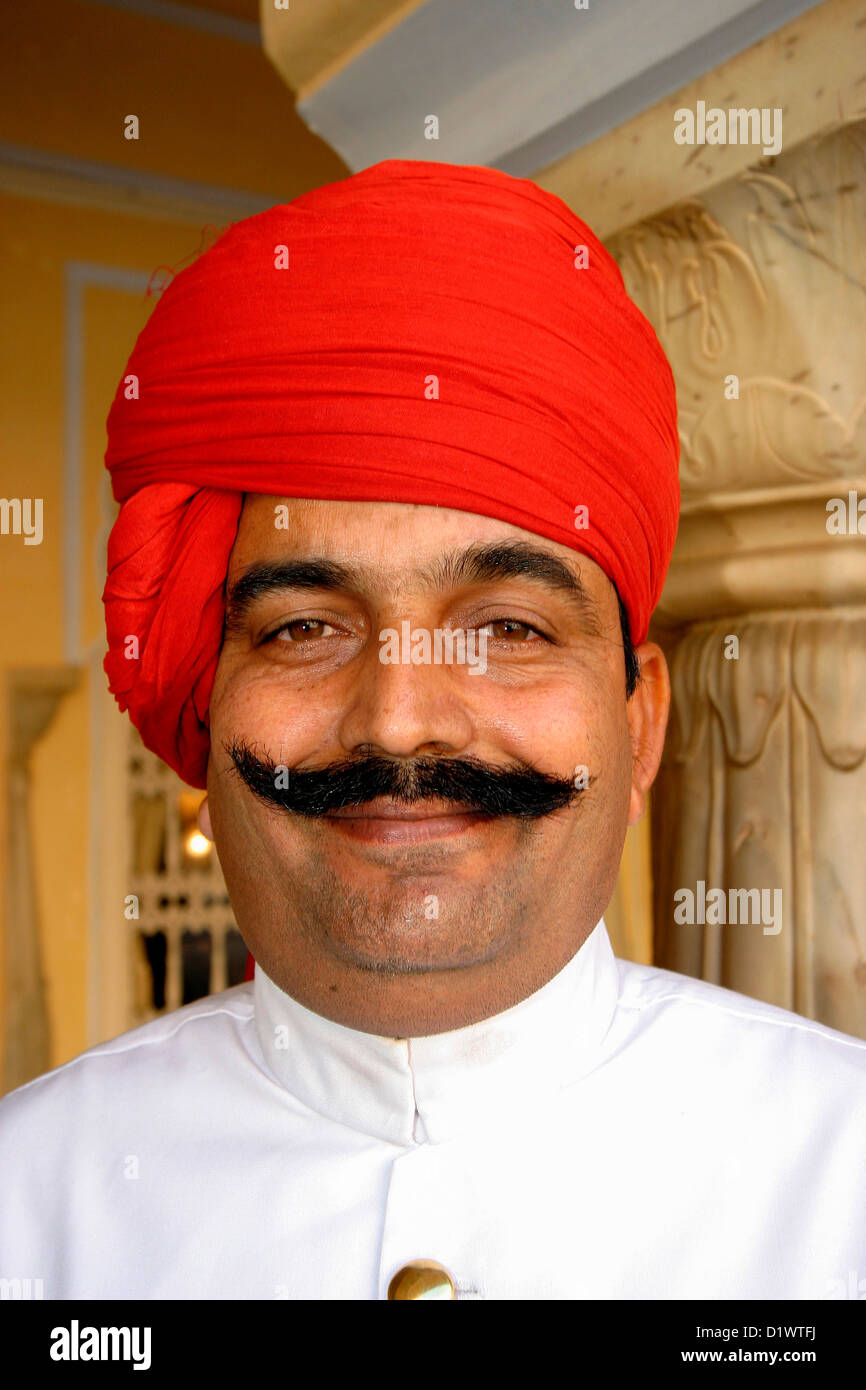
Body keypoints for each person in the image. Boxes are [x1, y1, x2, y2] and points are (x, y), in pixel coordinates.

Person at [0, 161, 862, 1301]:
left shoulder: (835, 1176)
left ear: (640, 722)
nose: (400, 714)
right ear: (204, 711)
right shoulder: (34, 1202)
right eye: (305, 626)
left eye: (506, 627)